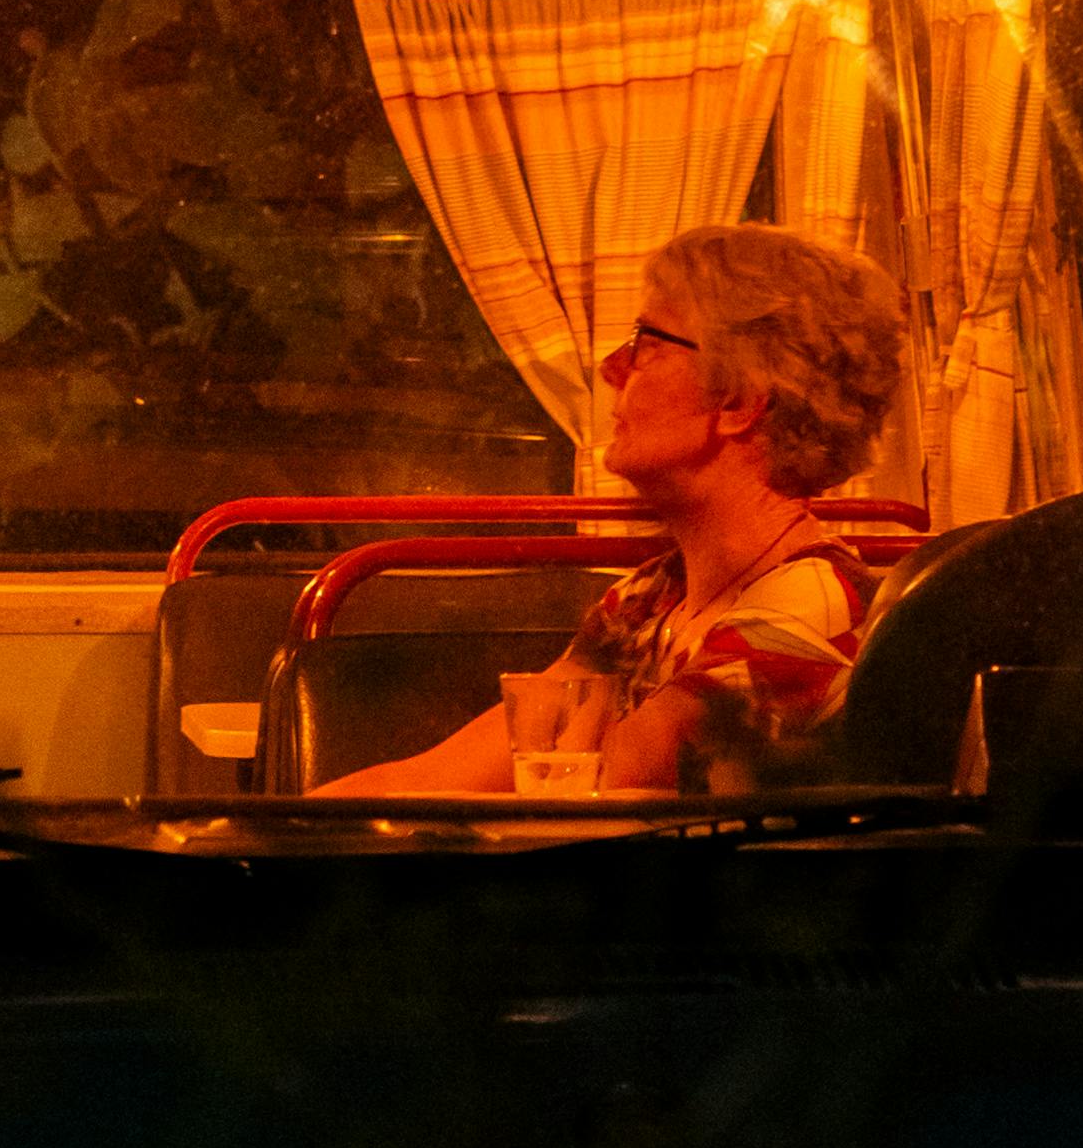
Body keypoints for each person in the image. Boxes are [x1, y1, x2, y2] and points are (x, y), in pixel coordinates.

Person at [323, 223, 904, 796]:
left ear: (738, 401)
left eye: (647, 344)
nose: (612, 370)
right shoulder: (647, 601)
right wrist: (262, 835)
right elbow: (440, 777)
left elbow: (590, 797)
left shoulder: (813, 609)